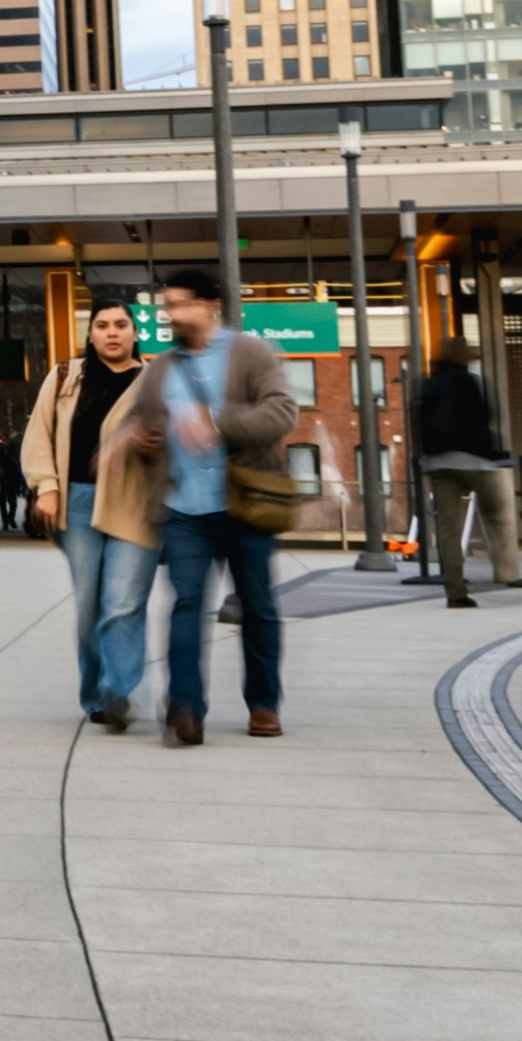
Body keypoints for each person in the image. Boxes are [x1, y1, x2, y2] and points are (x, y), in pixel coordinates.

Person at [116, 266, 300, 745]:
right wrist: (140, 439)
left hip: (245, 506)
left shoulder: (250, 353)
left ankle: (263, 704)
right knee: (186, 605)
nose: (172, 315)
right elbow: (140, 422)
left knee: (258, 607)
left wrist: (216, 421)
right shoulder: (161, 368)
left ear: (210, 305)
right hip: (182, 511)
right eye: (167, 307)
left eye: (181, 304)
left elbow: (283, 412)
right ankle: (185, 708)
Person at [27, 300, 154, 729]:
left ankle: (118, 692)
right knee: (89, 606)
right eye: (102, 325)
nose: (112, 332)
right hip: (78, 503)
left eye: (120, 324)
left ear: (135, 332)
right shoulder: (65, 375)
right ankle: (95, 695)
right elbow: (39, 434)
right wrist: (47, 487)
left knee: (123, 601)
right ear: (91, 333)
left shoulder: (154, 381)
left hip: (135, 503)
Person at [414, 344, 508, 610]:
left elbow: (419, 423)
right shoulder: (468, 381)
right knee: (496, 513)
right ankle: (505, 568)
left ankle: (455, 593)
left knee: (448, 531)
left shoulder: (429, 384)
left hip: (439, 463)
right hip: (471, 460)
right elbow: (485, 416)